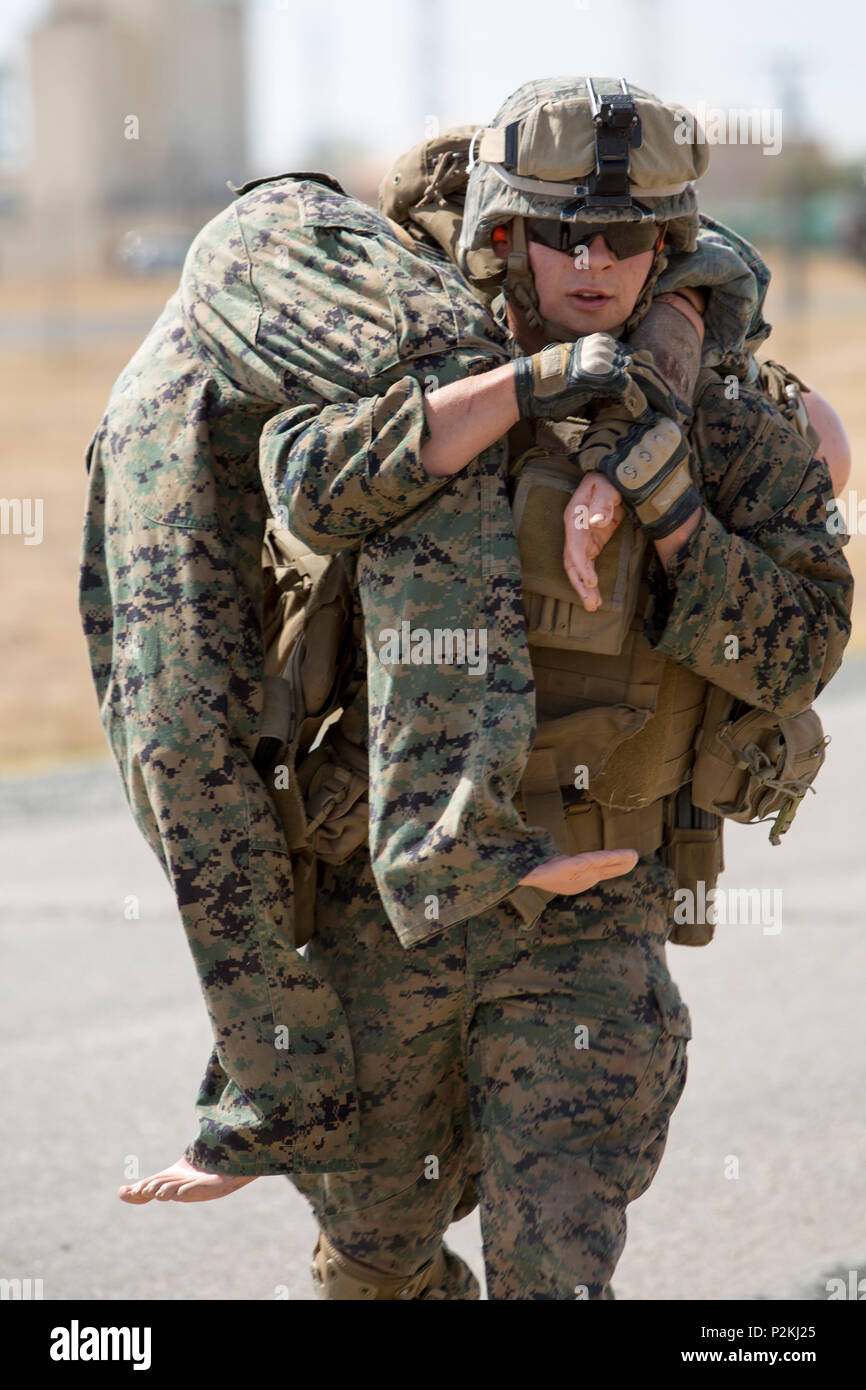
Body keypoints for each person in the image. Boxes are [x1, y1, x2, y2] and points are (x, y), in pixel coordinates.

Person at [79, 76, 852, 1299]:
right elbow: (308, 484)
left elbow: (804, 644)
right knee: (379, 1262)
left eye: (630, 238)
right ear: (500, 231)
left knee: (557, 1267)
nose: (592, 261)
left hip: (589, 911)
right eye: (559, 232)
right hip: (383, 908)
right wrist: (526, 399)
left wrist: (673, 514)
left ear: (674, 247)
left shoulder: (726, 422)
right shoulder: (394, 361)